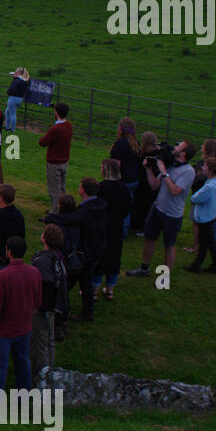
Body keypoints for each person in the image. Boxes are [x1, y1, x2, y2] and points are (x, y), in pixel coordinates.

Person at [126, 140, 196, 278]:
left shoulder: (188, 171)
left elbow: (175, 191)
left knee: (169, 245)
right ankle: (144, 268)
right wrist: (149, 170)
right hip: (157, 208)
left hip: (172, 215)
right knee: (149, 238)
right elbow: (154, 185)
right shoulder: (170, 165)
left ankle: (164, 278)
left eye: (178, 146)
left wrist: (164, 171)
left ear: (183, 153)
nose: (174, 147)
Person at [0, 237, 41, 398]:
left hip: (4, 330)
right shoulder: (34, 272)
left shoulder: (2, 276)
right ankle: (23, 399)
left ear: (8, 251)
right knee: (23, 363)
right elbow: (37, 303)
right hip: (24, 327)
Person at [67, 178, 108, 321]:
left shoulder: (84, 211)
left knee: (71, 281)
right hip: (96, 249)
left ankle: (61, 309)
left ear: (82, 190)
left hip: (84, 251)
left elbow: (72, 223)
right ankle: (87, 311)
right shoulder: (101, 205)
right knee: (86, 282)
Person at [30, 225, 68, 373]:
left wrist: (37, 306)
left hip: (43, 307)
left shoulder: (42, 261)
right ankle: (51, 370)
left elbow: (45, 284)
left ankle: (43, 375)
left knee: (40, 342)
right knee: (49, 340)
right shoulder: (58, 257)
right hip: (54, 305)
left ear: (44, 238)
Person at [95, 159, 132, 300]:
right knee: (114, 258)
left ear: (105, 170)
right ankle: (110, 289)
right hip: (116, 228)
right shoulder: (123, 188)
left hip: (102, 228)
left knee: (99, 257)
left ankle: (94, 289)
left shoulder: (101, 188)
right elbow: (128, 207)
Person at [184, 139, 216, 255]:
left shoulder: (205, 163)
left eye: (203, 145)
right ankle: (204, 248)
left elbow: (198, 178)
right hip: (213, 198)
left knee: (197, 221)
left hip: (201, 193)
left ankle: (197, 246)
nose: (201, 146)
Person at [185, 157, 216, 275]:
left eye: (205, 166)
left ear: (211, 170)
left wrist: (196, 194)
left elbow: (195, 198)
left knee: (205, 244)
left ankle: (198, 266)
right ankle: (214, 266)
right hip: (210, 215)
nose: (202, 168)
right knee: (209, 243)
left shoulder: (209, 187)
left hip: (205, 217)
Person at [38, 102, 74, 209]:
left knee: (54, 189)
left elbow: (42, 142)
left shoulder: (56, 128)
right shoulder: (69, 126)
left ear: (57, 113)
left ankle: (56, 212)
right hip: (65, 161)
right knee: (62, 187)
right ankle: (65, 208)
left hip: (54, 162)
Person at [109, 118, 141, 236]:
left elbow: (116, 165)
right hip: (133, 179)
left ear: (120, 129)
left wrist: (112, 180)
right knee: (127, 205)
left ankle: (119, 230)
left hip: (123, 180)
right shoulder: (136, 144)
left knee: (117, 206)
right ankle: (125, 229)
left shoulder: (120, 144)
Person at [128, 130, 161, 234]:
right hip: (148, 182)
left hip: (146, 182)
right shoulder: (157, 153)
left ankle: (142, 227)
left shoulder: (147, 154)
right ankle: (139, 225)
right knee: (143, 205)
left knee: (143, 206)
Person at [4, 67, 29, 132]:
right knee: (7, 111)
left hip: (13, 98)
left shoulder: (17, 80)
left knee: (12, 113)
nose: (15, 73)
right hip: (19, 98)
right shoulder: (24, 80)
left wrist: (8, 92)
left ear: (19, 73)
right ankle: (7, 127)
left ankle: (12, 129)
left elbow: (12, 89)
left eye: (16, 72)